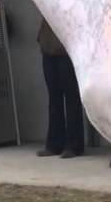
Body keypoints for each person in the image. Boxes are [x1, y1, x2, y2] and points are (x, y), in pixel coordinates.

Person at [36, 17, 84, 158]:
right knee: (54, 98)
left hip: (66, 52)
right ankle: (54, 144)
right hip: (48, 49)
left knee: (71, 98)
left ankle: (74, 145)